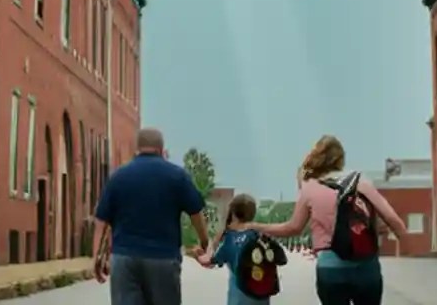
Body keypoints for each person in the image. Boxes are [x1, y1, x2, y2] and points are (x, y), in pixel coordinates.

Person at [248, 135, 408, 305]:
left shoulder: (310, 187)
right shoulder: (360, 181)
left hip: (331, 268)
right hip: (366, 266)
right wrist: (407, 247)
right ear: (340, 158)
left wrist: (257, 226)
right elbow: (392, 219)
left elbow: (293, 228)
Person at [93, 127, 210, 304]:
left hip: (125, 258)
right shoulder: (177, 176)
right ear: (162, 149)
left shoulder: (119, 177)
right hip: (163, 259)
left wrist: (96, 256)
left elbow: (101, 220)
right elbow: (196, 214)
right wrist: (204, 242)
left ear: (137, 148)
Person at [198, 194, 282, 304]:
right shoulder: (259, 236)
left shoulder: (230, 239)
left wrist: (207, 248)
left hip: (239, 295)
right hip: (261, 293)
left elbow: (209, 261)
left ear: (233, 214)